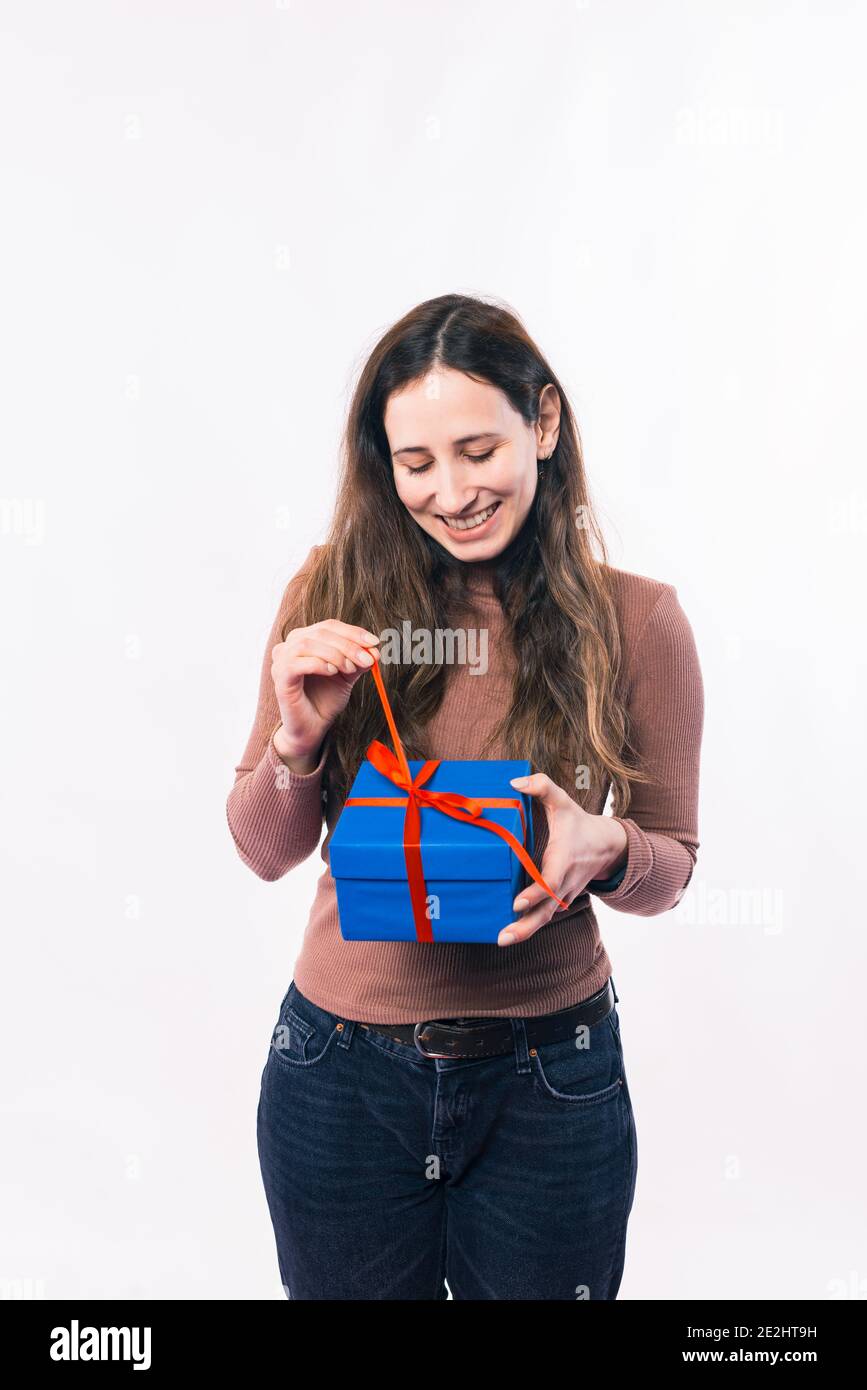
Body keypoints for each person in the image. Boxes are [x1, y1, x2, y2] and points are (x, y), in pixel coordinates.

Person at [226, 293, 704, 1300]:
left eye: (478, 450)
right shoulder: (329, 594)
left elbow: (669, 869)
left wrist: (610, 848)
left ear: (544, 422)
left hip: (551, 1076)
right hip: (337, 1070)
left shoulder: (639, 621)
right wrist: (295, 743)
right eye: (416, 463)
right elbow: (265, 851)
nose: (451, 493)